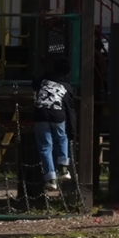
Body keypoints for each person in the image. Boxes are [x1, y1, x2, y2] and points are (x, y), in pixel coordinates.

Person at [33, 57, 77, 191]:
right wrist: (72, 132)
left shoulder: (45, 79)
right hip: (58, 114)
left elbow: (34, 84)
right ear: (68, 73)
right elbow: (70, 111)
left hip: (41, 114)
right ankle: (64, 170)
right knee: (62, 138)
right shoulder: (67, 87)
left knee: (45, 147)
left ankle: (51, 179)